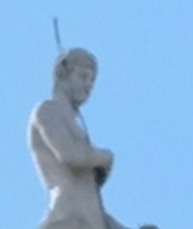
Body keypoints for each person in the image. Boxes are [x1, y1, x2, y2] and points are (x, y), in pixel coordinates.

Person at [28, 46, 134, 229]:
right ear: (64, 73)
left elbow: (96, 213)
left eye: (92, 81)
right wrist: (105, 157)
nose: (88, 86)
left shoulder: (76, 128)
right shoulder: (48, 111)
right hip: (65, 219)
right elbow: (70, 155)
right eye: (83, 76)